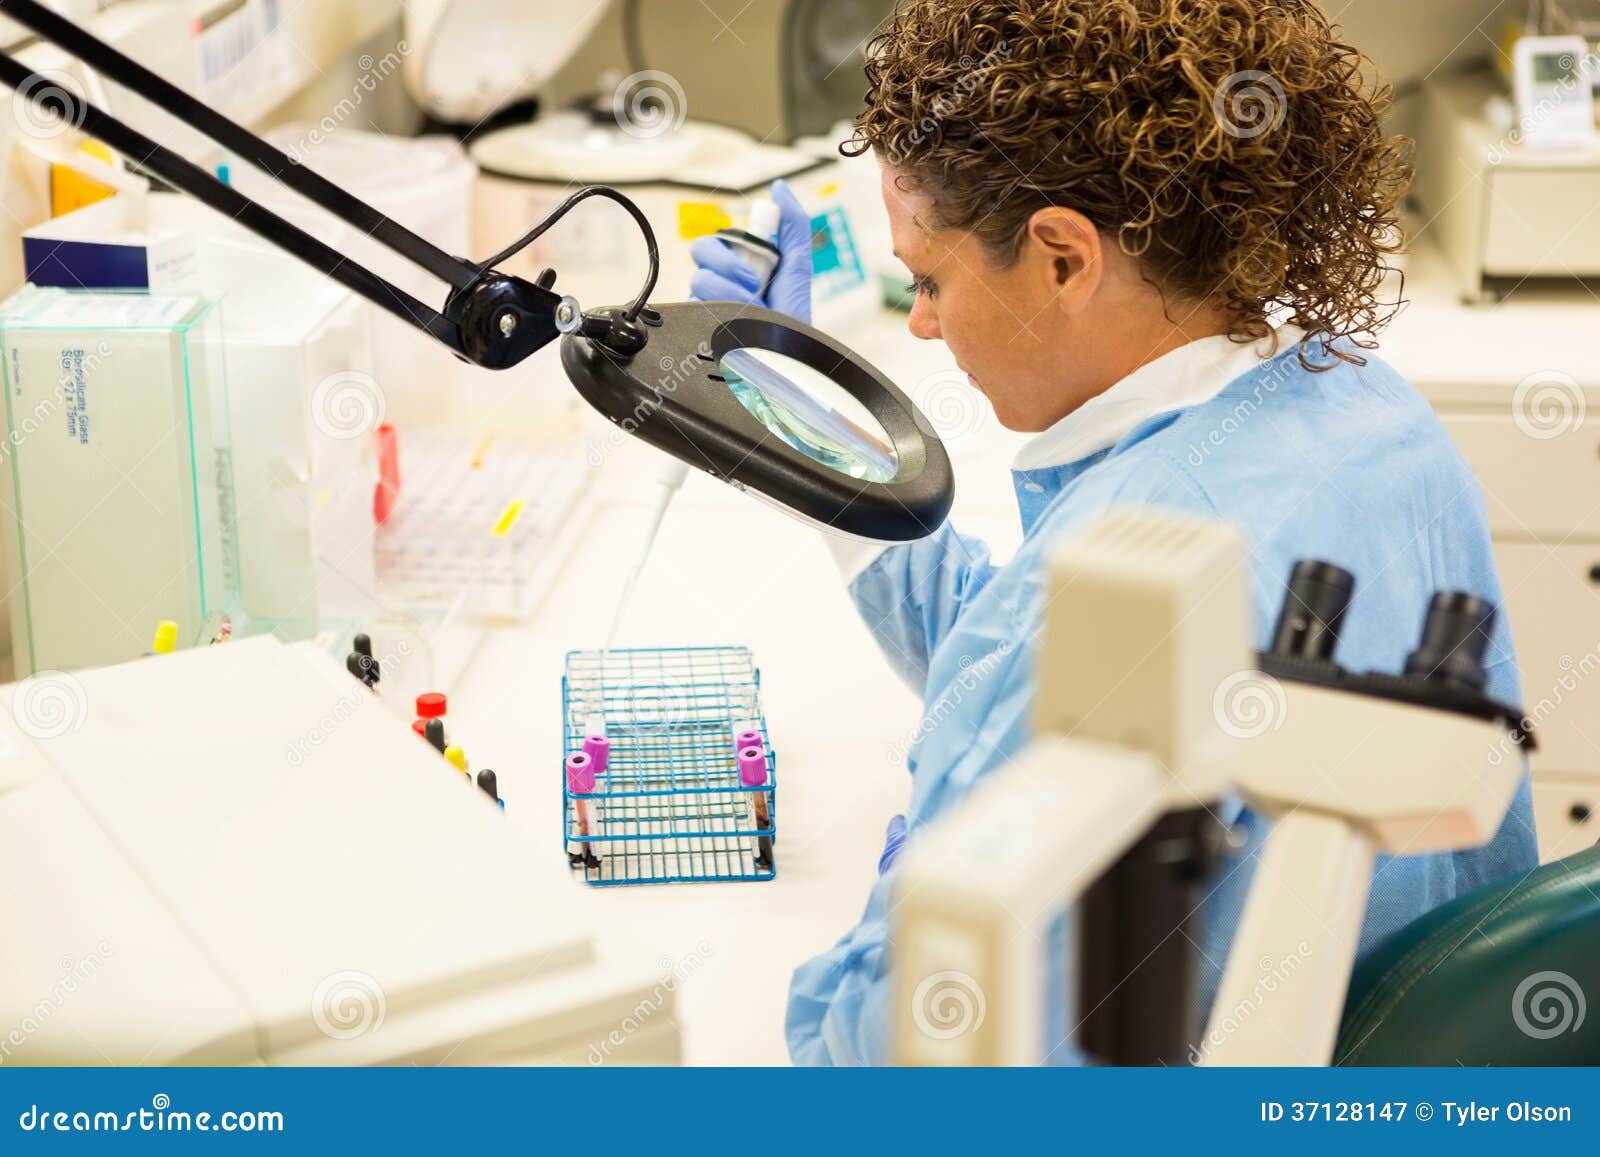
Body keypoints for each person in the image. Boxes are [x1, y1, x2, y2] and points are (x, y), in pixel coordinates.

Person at [692, 0, 1537, 1065]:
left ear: (1060, 258)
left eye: (929, 278)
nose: (921, 322)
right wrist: (810, 436)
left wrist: (894, 915)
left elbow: (874, 1078)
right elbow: (1011, 655)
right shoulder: (1366, 409)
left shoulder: (1103, 582)